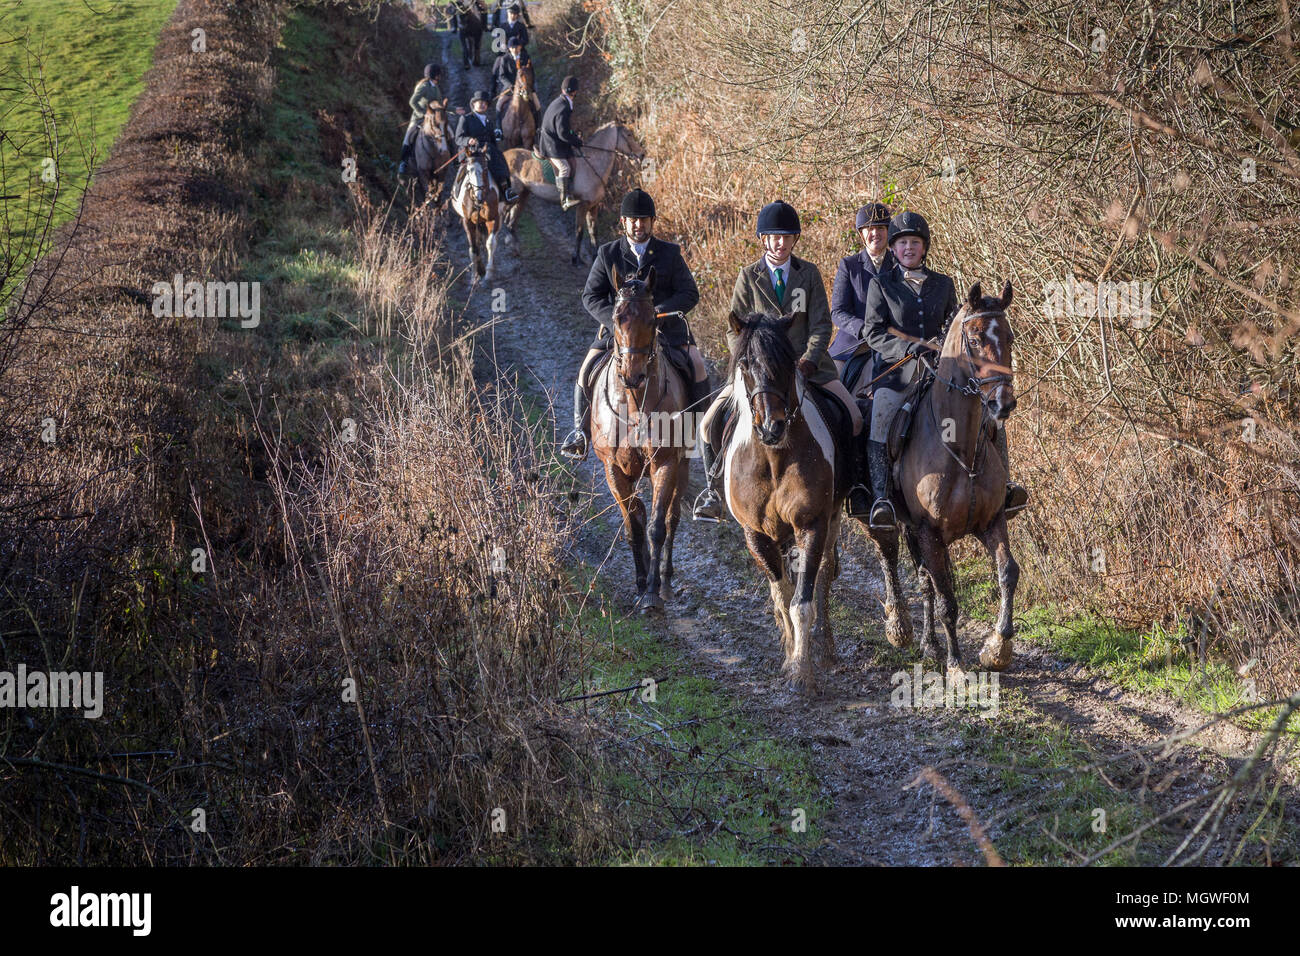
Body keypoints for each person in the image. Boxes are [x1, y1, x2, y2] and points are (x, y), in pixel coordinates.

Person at [693, 200, 863, 521]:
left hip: (807, 367)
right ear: (763, 240)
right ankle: (712, 493)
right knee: (706, 425)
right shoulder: (748, 277)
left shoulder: (808, 274)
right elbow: (735, 329)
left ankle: (854, 489)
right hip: (759, 373)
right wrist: (750, 360)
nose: (780, 243)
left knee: (853, 417)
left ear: (794, 239)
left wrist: (809, 360)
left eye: (786, 237)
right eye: (773, 237)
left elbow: (822, 324)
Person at [861, 210, 1029, 529]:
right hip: (898, 373)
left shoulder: (943, 283)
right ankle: (882, 497)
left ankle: (1004, 486)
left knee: (991, 417)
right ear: (893, 249)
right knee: (880, 416)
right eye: (902, 243)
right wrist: (910, 348)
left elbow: (955, 328)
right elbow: (873, 333)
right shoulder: (880, 285)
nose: (909, 248)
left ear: (924, 247)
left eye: (915, 242)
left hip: (941, 371)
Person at [562, 189, 711, 463]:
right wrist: (617, 321)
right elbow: (590, 296)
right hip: (620, 336)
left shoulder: (669, 253)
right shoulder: (608, 254)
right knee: (586, 370)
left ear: (652, 222)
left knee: (697, 365)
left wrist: (658, 313)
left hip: (666, 331)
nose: (637, 225)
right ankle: (579, 434)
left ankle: (700, 436)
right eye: (632, 219)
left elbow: (690, 293)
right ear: (623, 222)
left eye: (643, 219)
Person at [829, 201, 896, 516]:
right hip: (852, 346)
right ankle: (852, 481)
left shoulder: (900, 264)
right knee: (835, 398)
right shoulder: (850, 266)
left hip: (892, 346)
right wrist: (865, 330)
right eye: (870, 229)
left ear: (888, 232)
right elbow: (838, 311)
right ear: (861, 234)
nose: (875, 234)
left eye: (881, 229)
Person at [452, 89, 519, 202]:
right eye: (480, 102)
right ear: (474, 104)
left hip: (487, 149)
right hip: (471, 150)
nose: (483, 104)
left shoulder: (488, 121)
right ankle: (456, 192)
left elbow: (492, 140)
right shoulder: (465, 119)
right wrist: (468, 140)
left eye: (485, 103)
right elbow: (458, 138)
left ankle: (506, 189)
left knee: (500, 157)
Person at [538, 75, 583, 211]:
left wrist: (574, 136)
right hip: (550, 144)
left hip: (555, 139)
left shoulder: (560, 101)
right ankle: (565, 200)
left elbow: (565, 129)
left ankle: (570, 190)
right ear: (574, 92)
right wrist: (576, 142)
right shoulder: (564, 107)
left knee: (573, 161)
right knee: (565, 168)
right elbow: (563, 133)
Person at [399, 63, 444, 178]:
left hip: (434, 118)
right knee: (408, 137)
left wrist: (454, 110)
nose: (440, 77)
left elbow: (440, 104)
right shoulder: (424, 87)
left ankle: (454, 158)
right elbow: (412, 102)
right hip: (419, 118)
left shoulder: (436, 88)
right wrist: (424, 114)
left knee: (448, 131)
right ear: (434, 75)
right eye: (438, 75)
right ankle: (403, 163)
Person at [491, 36, 538, 119]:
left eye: (517, 47)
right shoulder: (504, 59)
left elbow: (531, 73)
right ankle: (498, 128)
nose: (515, 49)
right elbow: (502, 75)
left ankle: (538, 128)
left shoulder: (526, 57)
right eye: (513, 47)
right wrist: (510, 86)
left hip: (525, 87)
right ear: (509, 48)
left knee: (537, 105)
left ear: (520, 47)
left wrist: (529, 85)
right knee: (499, 105)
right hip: (509, 88)